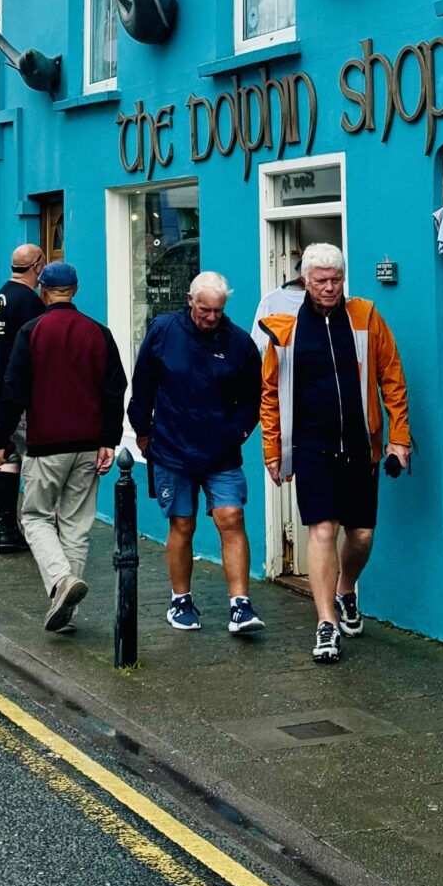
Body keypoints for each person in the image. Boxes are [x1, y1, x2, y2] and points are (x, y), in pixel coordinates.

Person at [258, 242, 411, 666]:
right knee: (323, 530)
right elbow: (269, 394)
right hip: (312, 446)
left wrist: (399, 437)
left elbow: (392, 380)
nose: (329, 287)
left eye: (336, 279)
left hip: (361, 447)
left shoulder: (365, 317)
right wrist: (273, 449)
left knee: (361, 535)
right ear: (305, 281)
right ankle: (326, 624)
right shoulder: (285, 329)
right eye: (321, 280)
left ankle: (346, 591)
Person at [0, 262, 125, 634]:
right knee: (76, 529)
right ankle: (66, 611)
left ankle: (61, 581)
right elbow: (115, 388)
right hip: (88, 444)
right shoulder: (99, 333)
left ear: (43, 291)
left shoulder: (32, 331)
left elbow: (12, 392)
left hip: (46, 444)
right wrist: (109, 439)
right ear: (75, 289)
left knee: (34, 517)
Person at [129, 271, 265, 636]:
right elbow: (142, 384)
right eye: (204, 309)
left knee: (231, 517)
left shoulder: (239, 344)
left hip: (220, 449)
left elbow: (254, 397)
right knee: (183, 524)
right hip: (173, 446)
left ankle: (240, 604)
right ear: (190, 301)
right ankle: (181, 600)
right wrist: (143, 432)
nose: (210, 317)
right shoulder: (163, 331)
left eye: (217, 311)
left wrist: (236, 433)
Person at [0, 244, 45, 553]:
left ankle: (7, 528)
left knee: (9, 459)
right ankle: (34, 529)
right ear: (37, 266)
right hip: (18, 396)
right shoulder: (29, 302)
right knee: (30, 460)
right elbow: (34, 355)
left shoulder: (0, 298)